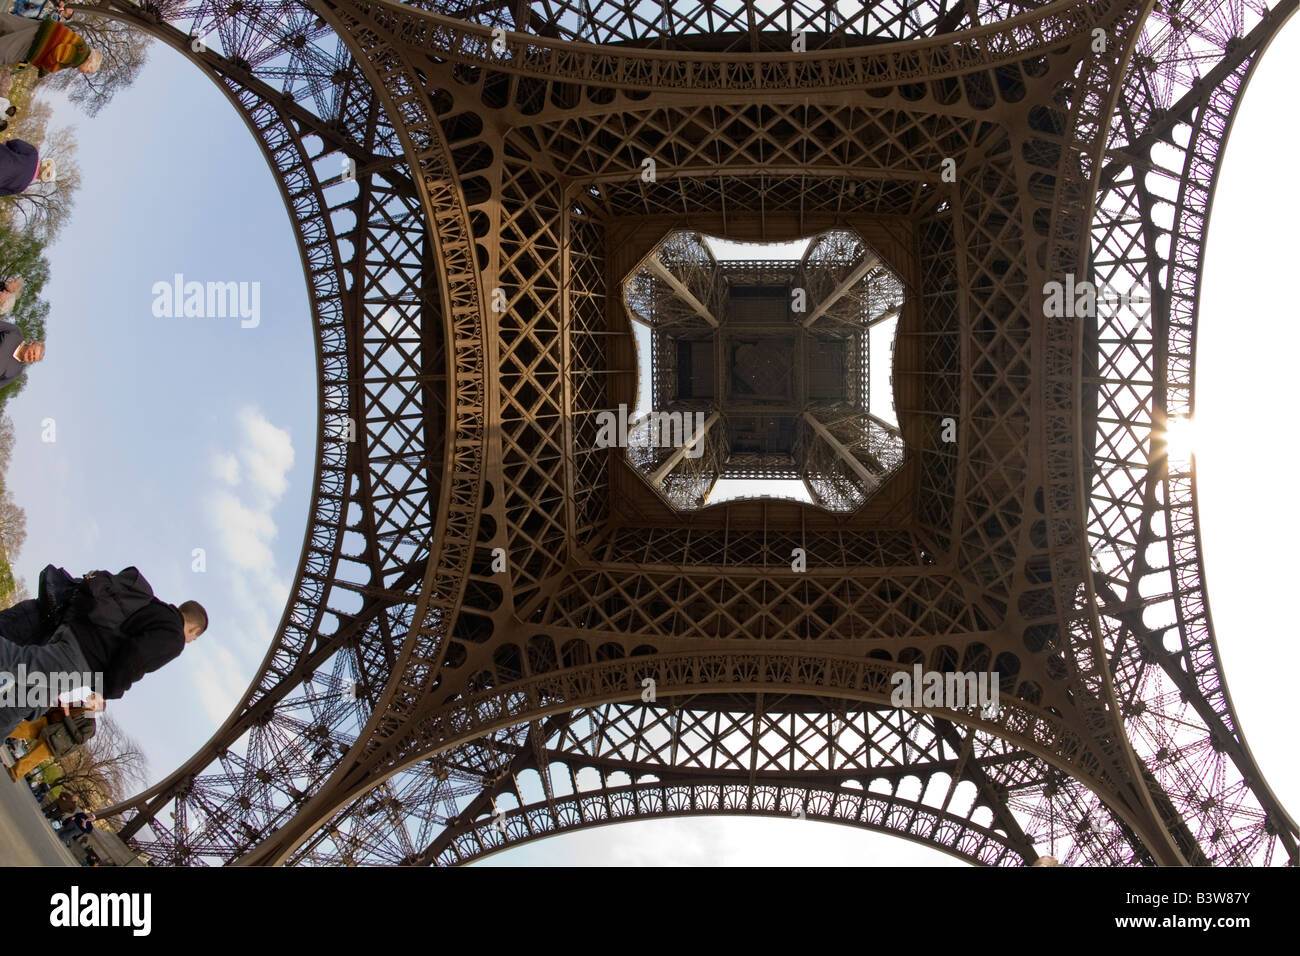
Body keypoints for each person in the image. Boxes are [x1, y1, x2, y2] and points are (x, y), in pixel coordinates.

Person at [0, 567, 208, 736]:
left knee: (23, 702)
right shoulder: (174, 637)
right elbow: (135, 657)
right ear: (194, 629)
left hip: (72, 632)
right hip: (82, 658)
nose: (190, 641)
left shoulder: (153, 606)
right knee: (17, 663)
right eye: (194, 638)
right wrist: (107, 690)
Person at [0, 12, 99, 76]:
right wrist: (46, 69)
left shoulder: (82, 45)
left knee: (9, 24)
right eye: (88, 70)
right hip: (36, 45)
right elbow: (60, 52)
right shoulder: (78, 58)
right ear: (89, 60)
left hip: (44, 30)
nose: (85, 73)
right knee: (5, 51)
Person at [0, 318, 42, 390]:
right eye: (33, 352)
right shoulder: (15, 332)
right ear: (32, 343)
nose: (31, 356)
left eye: (34, 358)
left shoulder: (17, 371)